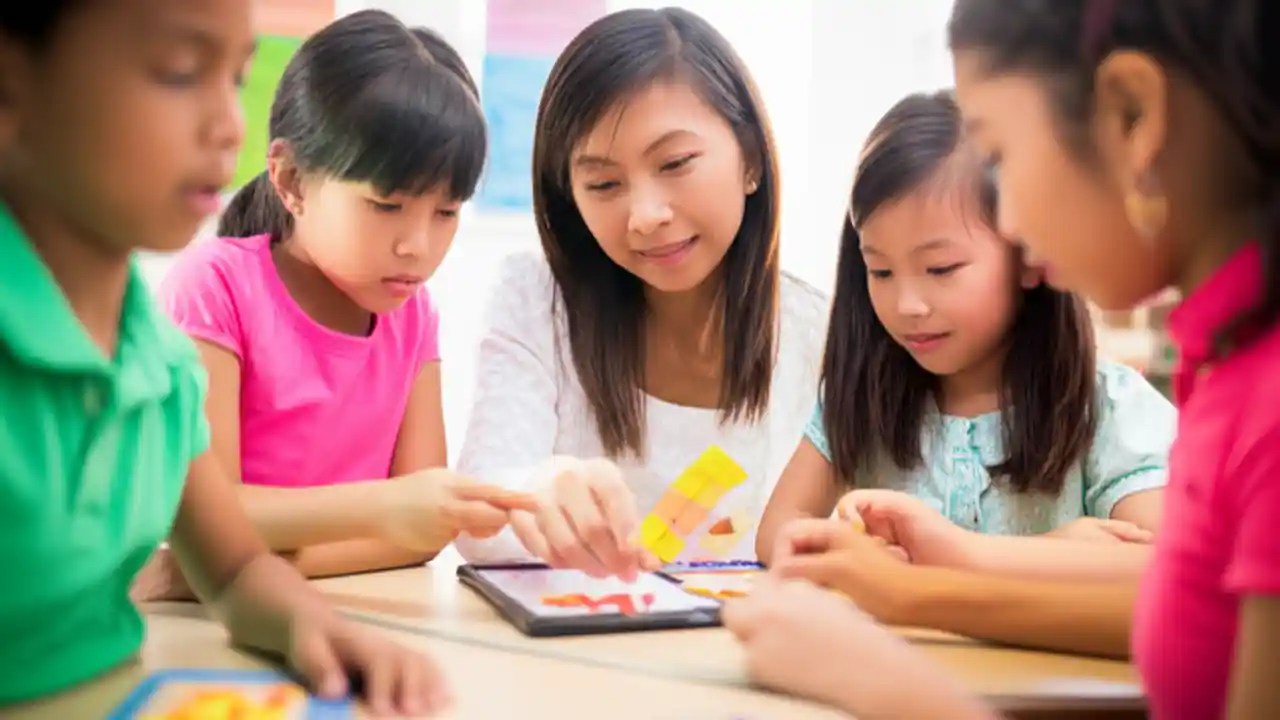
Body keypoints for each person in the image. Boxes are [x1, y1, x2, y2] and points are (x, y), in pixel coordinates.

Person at [726, 1, 1280, 718]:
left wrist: (890, 688)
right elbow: (1174, 600)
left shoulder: (1255, 407)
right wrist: (944, 572)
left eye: (1000, 155)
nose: (1011, 222)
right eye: (882, 269)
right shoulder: (1229, 373)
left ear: (1132, 115)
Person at [0, 3, 471, 714]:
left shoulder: (150, 347)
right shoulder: (208, 293)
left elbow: (234, 568)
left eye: (238, 78)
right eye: (180, 72)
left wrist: (321, 630)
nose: (230, 125)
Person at [137, 11, 535, 597]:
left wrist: (237, 567)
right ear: (292, 180)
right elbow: (206, 512)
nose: (417, 246)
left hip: (341, 607)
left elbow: (423, 532)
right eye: (386, 205)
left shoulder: (412, 314)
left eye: (446, 212)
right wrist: (385, 510)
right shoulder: (215, 285)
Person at [454, 7, 828, 578]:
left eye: (675, 163)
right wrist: (538, 491)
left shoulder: (817, 334)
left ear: (750, 158)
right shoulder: (537, 300)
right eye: (604, 184)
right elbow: (480, 518)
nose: (646, 215)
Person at [757, 91, 1172, 584]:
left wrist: (943, 558)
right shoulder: (861, 399)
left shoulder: (1109, 407)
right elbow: (777, 532)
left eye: (941, 268)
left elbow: (1159, 563)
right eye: (881, 271)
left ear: (1028, 253)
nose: (908, 303)